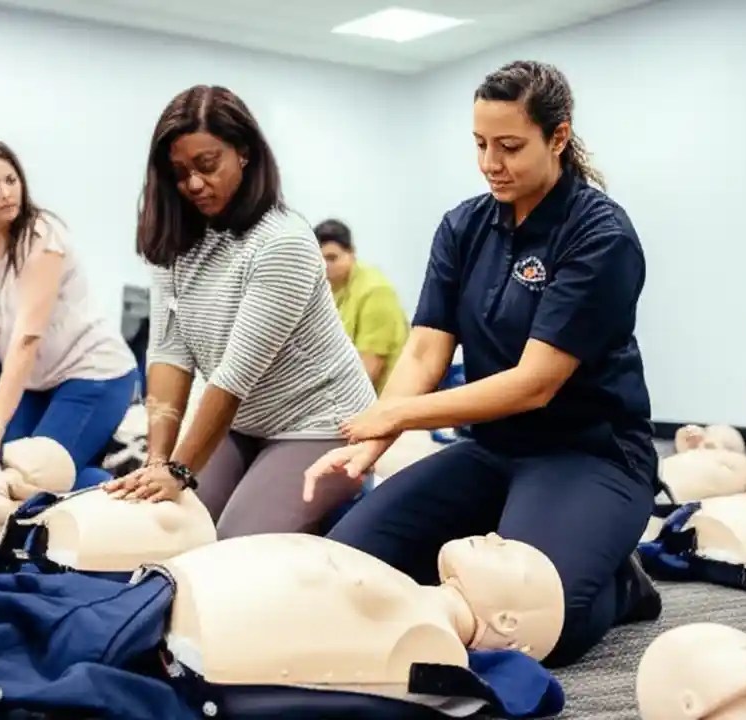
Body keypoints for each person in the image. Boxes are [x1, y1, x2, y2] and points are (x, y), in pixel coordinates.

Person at [302, 60, 662, 668]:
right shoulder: (464, 226)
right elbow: (424, 350)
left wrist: (396, 417)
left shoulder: (601, 235)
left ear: (558, 137)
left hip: (591, 454)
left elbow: (533, 384)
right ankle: (529, 533)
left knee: (529, 626)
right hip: (493, 451)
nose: (490, 162)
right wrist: (373, 440)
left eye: (509, 146)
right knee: (348, 566)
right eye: (480, 144)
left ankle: (621, 581)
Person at [101, 85, 375, 538]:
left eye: (207, 166)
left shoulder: (282, 242)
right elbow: (169, 352)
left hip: (321, 424)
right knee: (167, 529)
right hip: (244, 424)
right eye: (180, 171)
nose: (192, 183)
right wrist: (158, 462)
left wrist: (181, 471)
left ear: (244, 153)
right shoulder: (178, 242)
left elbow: (234, 375)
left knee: (231, 547)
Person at [0, 137, 137, 471]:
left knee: (36, 479)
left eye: (11, 180)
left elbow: (27, 336)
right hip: (35, 383)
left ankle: (120, 473)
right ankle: (96, 455)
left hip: (91, 373)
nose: (6, 193)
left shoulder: (42, 235)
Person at [315, 218, 410, 392]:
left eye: (332, 258)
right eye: (319, 260)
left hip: (386, 399)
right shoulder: (327, 289)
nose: (325, 266)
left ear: (351, 253)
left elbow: (370, 367)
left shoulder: (376, 291)